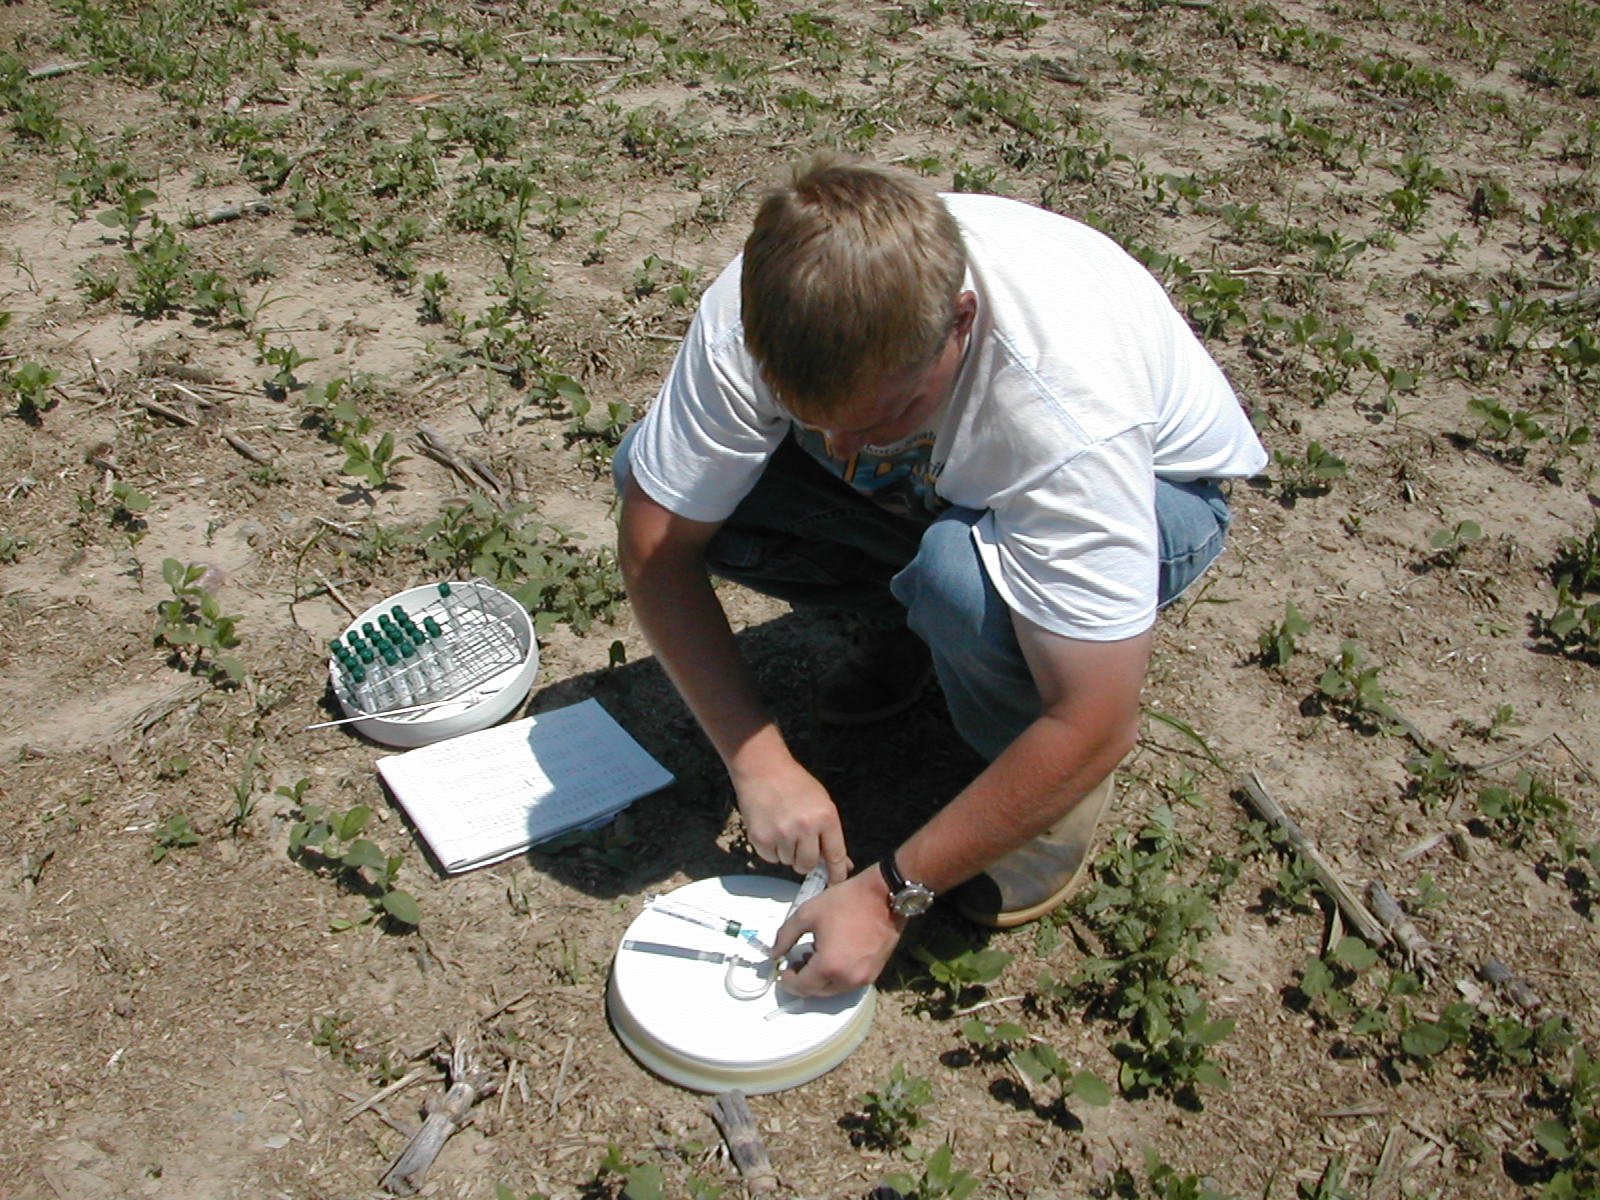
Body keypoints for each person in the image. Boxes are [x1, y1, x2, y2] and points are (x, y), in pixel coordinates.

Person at [614, 157, 1267, 999]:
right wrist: (759, 761)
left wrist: (890, 896)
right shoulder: (762, 307)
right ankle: (905, 621)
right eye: (811, 420)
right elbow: (654, 549)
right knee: (659, 474)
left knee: (962, 582)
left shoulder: (1065, 408)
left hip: (1162, 496)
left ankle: (1044, 813)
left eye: (882, 416)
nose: (843, 455)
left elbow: (1097, 720)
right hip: (972, 465)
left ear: (960, 321)